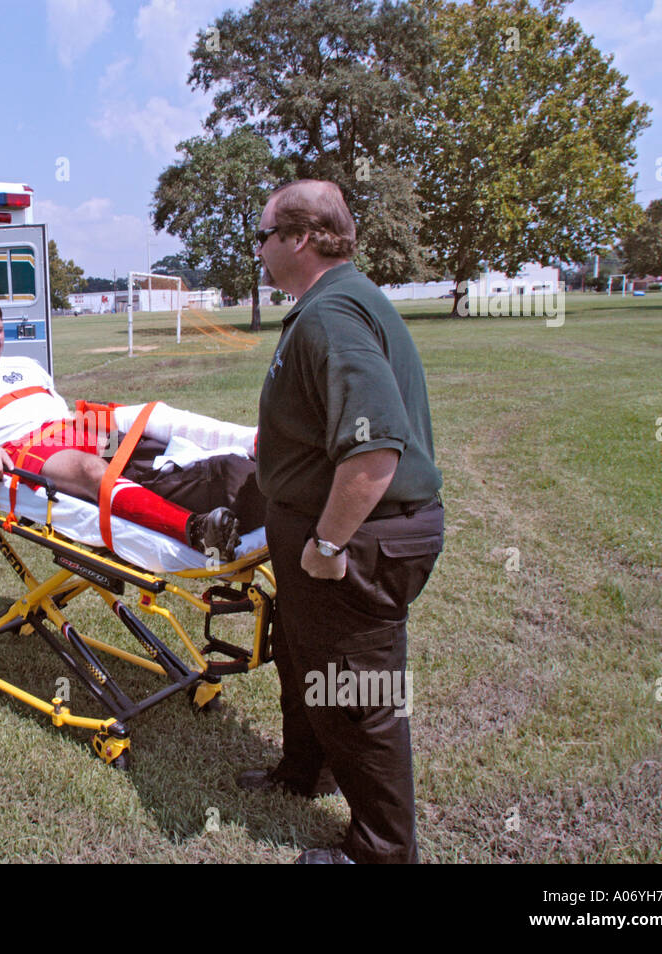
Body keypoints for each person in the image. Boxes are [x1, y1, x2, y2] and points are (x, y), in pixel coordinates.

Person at [246, 180, 444, 864]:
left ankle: (382, 850)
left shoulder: (332, 314)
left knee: (360, 695)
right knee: (302, 658)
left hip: (357, 539)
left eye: (266, 236)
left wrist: (329, 543)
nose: (261, 251)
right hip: (323, 530)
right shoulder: (329, 305)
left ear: (300, 238)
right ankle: (304, 770)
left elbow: (375, 446)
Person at [0, 296, 246, 560]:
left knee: (147, 427)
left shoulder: (25, 364)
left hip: (67, 426)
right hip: (27, 446)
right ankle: (196, 530)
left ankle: (246, 449)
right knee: (89, 469)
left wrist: (93, 428)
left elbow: (59, 407)